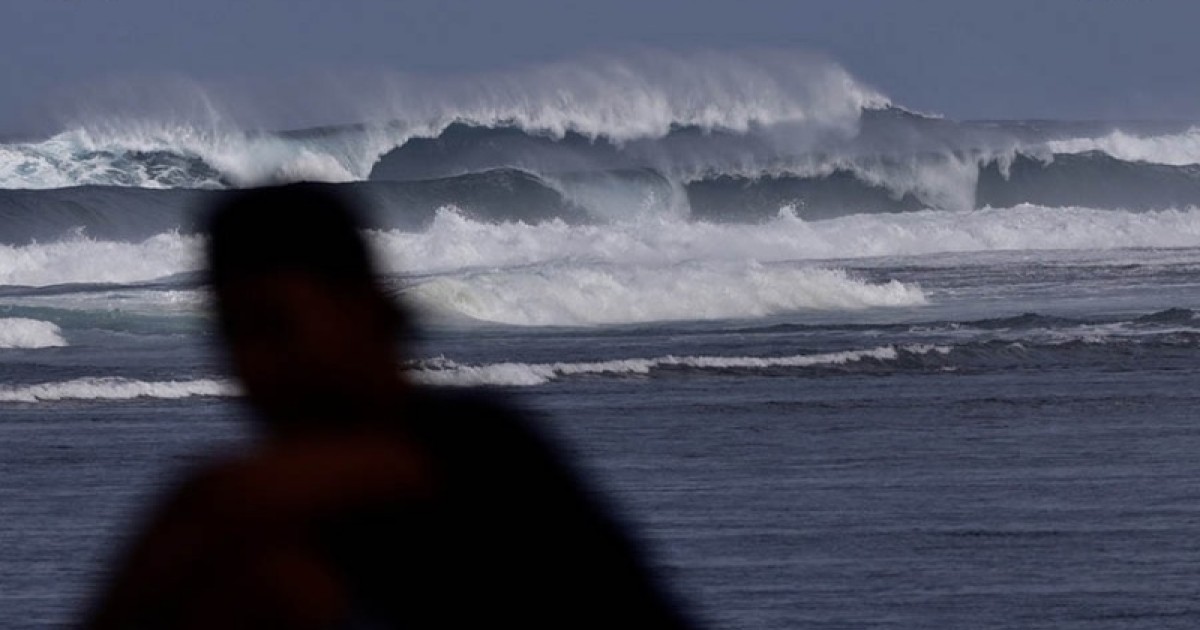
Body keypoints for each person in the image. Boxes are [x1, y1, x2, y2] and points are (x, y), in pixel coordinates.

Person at [82, 185, 694, 629]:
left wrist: (196, 508)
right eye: (232, 334)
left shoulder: (482, 446)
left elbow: (234, 498)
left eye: (276, 327)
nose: (253, 364)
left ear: (363, 310)